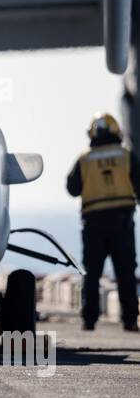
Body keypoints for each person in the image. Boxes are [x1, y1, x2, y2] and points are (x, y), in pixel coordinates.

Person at [66, 112, 140, 331]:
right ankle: (129, 320)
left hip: (93, 224)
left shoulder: (84, 159)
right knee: (125, 271)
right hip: (121, 221)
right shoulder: (125, 155)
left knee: (92, 273)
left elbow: (72, 188)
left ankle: (89, 320)